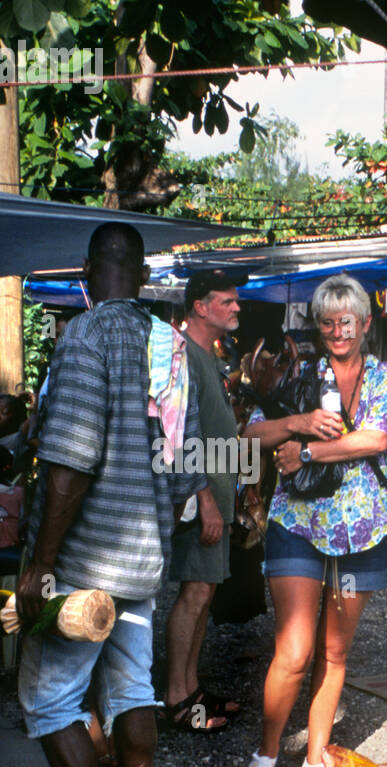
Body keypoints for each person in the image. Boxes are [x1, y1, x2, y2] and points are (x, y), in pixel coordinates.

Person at [16, 223, 205, 767]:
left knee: (49, 704)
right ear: (144, 275)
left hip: (80, 565)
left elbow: (69, 465)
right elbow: (184, 476)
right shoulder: (171, 349)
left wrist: (42, 565)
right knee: (131, 695)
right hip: (142, 564)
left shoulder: (84, 338)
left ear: (88, 270)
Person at [241, 274, 387, 767]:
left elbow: (376, 438)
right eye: (328, 322)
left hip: (360, 532)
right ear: (318, 326)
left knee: (335, 653)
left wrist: (308, 452)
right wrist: (301, 423)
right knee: (294, 650)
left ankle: (314, 760)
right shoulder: (299, 374)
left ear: (365, 323)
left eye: (346, 321)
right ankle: (266, 756)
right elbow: (250, 432)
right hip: (299, 524)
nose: (337, 331)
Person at [161, 270, 246, 732]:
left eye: (236, 301)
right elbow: (178, 434)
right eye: (226, 301)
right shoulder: (184, 357)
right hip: (201, 496)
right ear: (199, 306)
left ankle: (191, 690)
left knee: (206, 590)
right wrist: (205, 498)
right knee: (193, 592)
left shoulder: (206, 357)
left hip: (216, 490)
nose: (236, 308)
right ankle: (177, 698)